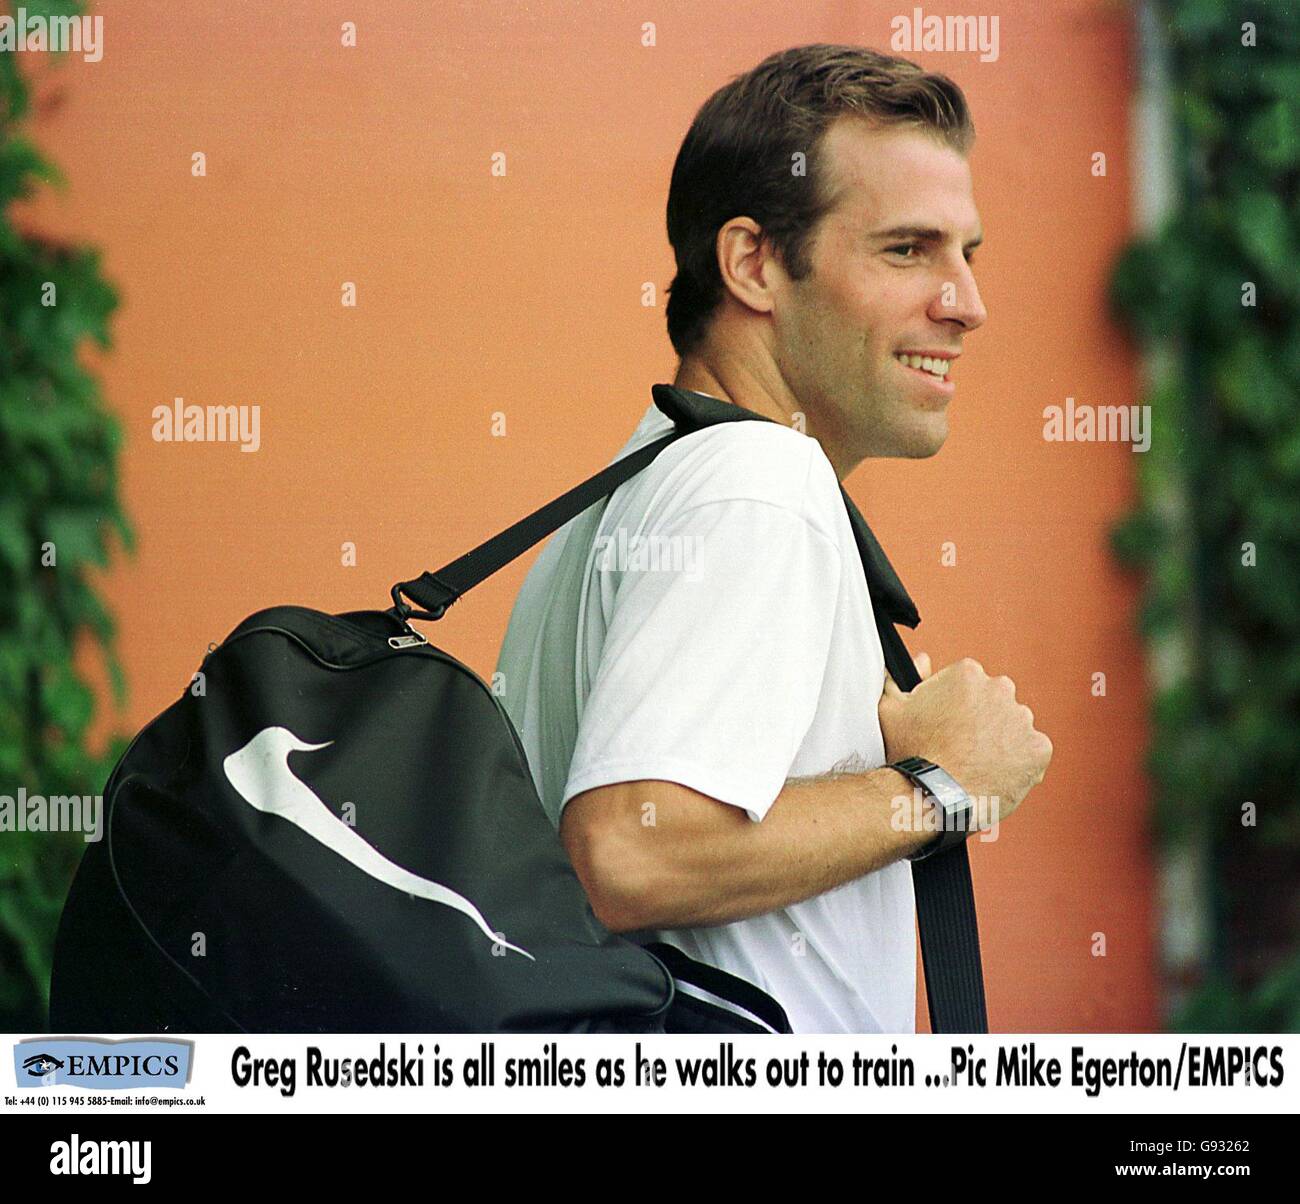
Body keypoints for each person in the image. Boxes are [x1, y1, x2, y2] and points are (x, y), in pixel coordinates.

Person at [495, 44, 1052, 1033]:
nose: (966, 303)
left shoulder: (628, 497)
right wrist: (938, 784)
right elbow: (630, 850)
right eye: (907, 249)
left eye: (967, 253)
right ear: (754, 262)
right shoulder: (760, 481)